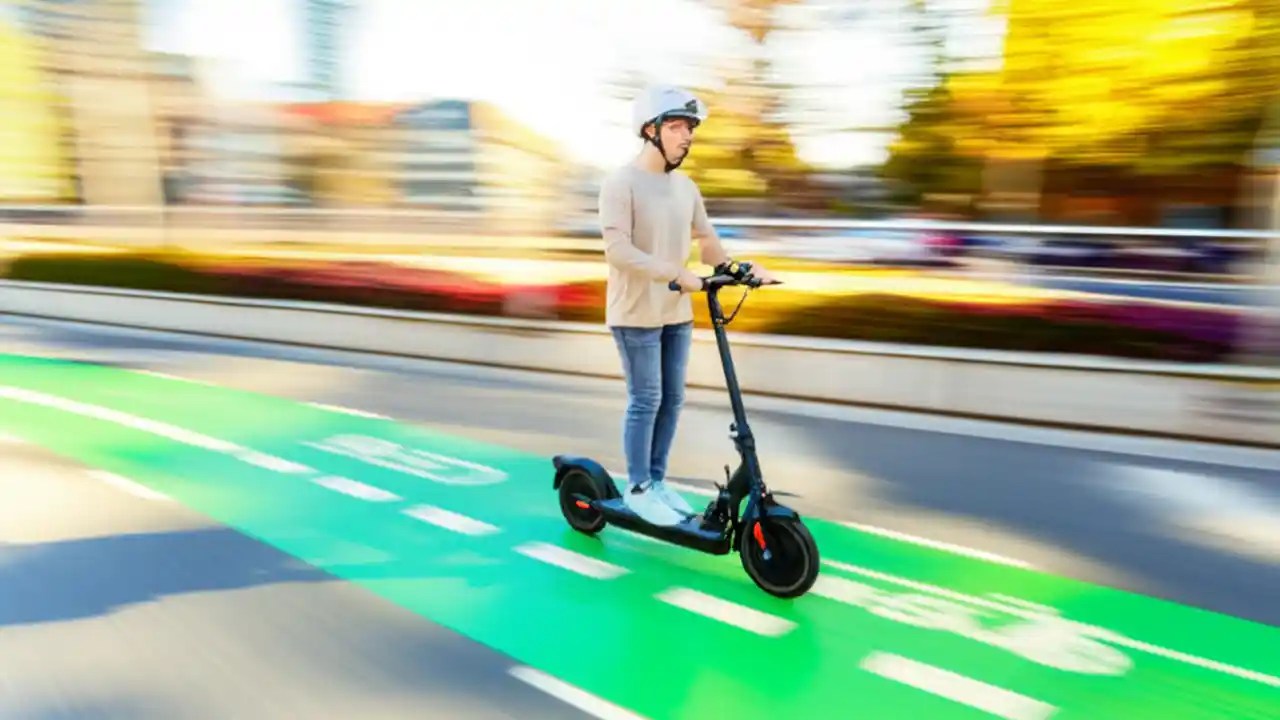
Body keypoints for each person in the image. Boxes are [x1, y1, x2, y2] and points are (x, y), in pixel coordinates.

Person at [597, 84, 774, 526]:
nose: (687, 136)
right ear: (650, 130)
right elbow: (617, 251)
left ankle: (656, 481)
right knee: (646, 399)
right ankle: (638, 488)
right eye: (677, 127)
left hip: (675, 312)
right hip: (636, 311)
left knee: (672, 399)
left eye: (690, 128)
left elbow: (706, 239)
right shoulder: (621, 183)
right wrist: (674, 272)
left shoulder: (686, 187)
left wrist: (738, 269)